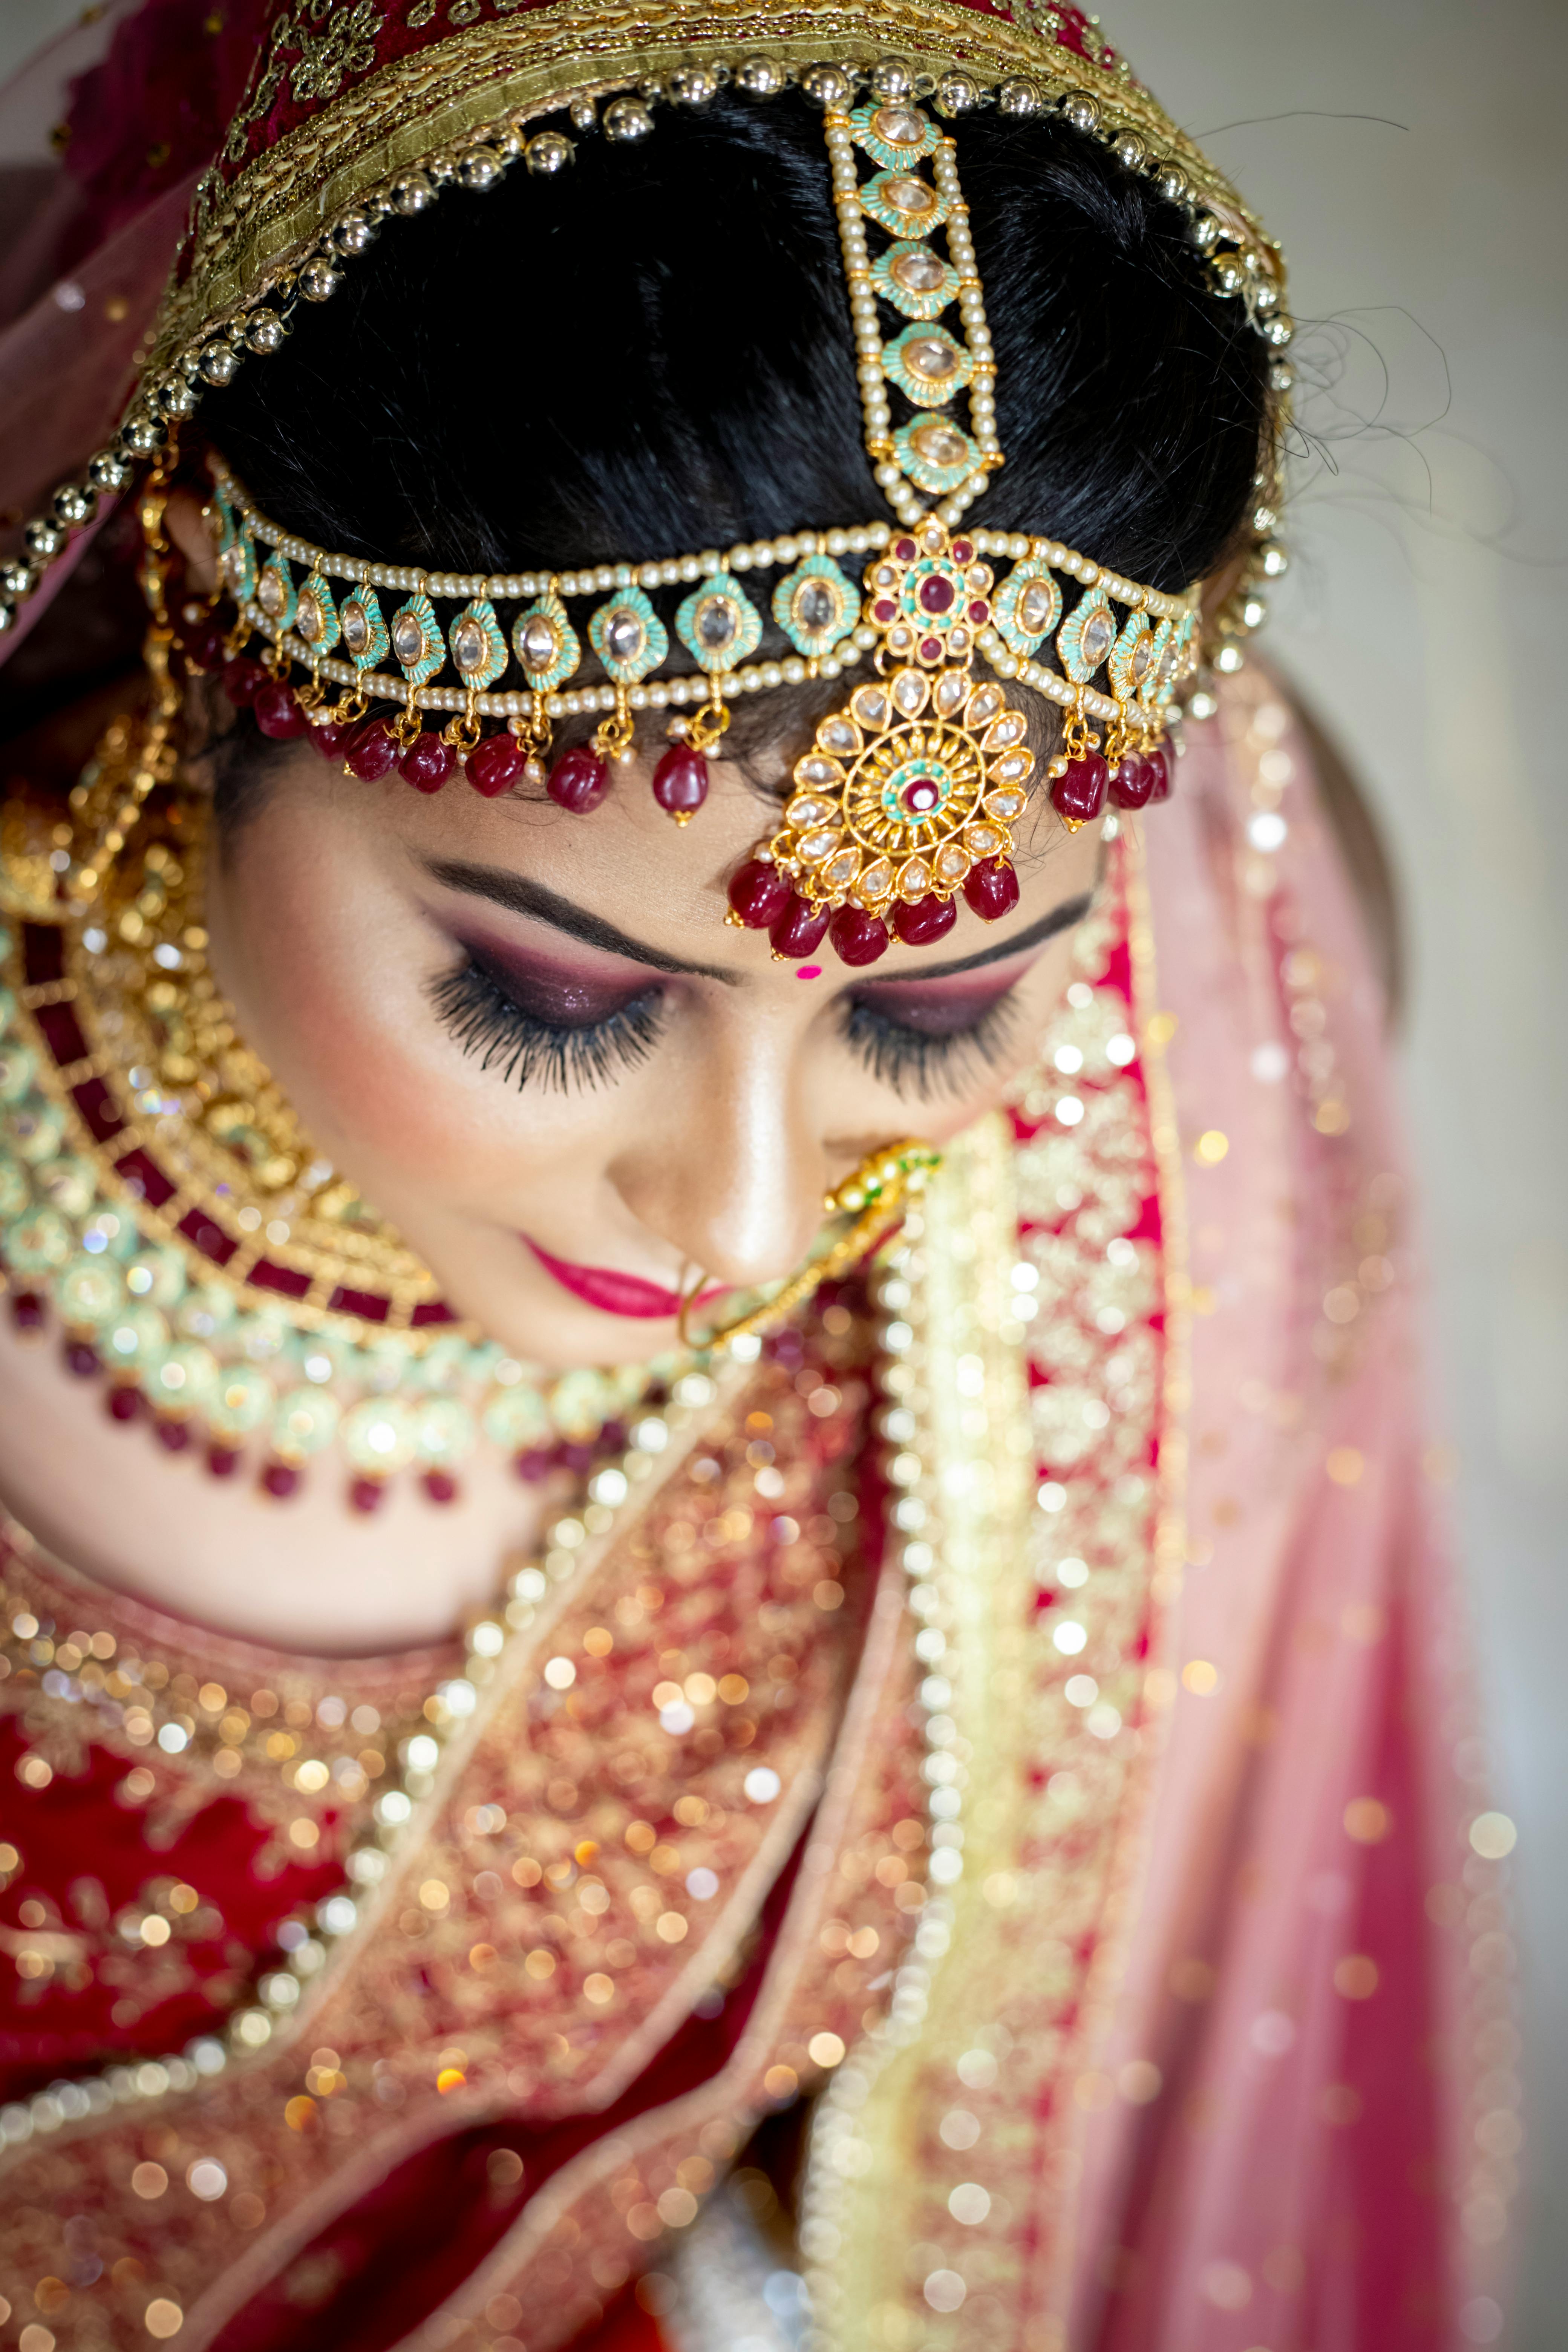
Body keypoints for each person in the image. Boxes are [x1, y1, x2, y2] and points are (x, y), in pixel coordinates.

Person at [0, 4, 1515, 2348]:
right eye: (559, 997)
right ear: (207, 620)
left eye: (925, 1015)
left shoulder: (1171, 1093)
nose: (738, 1226)